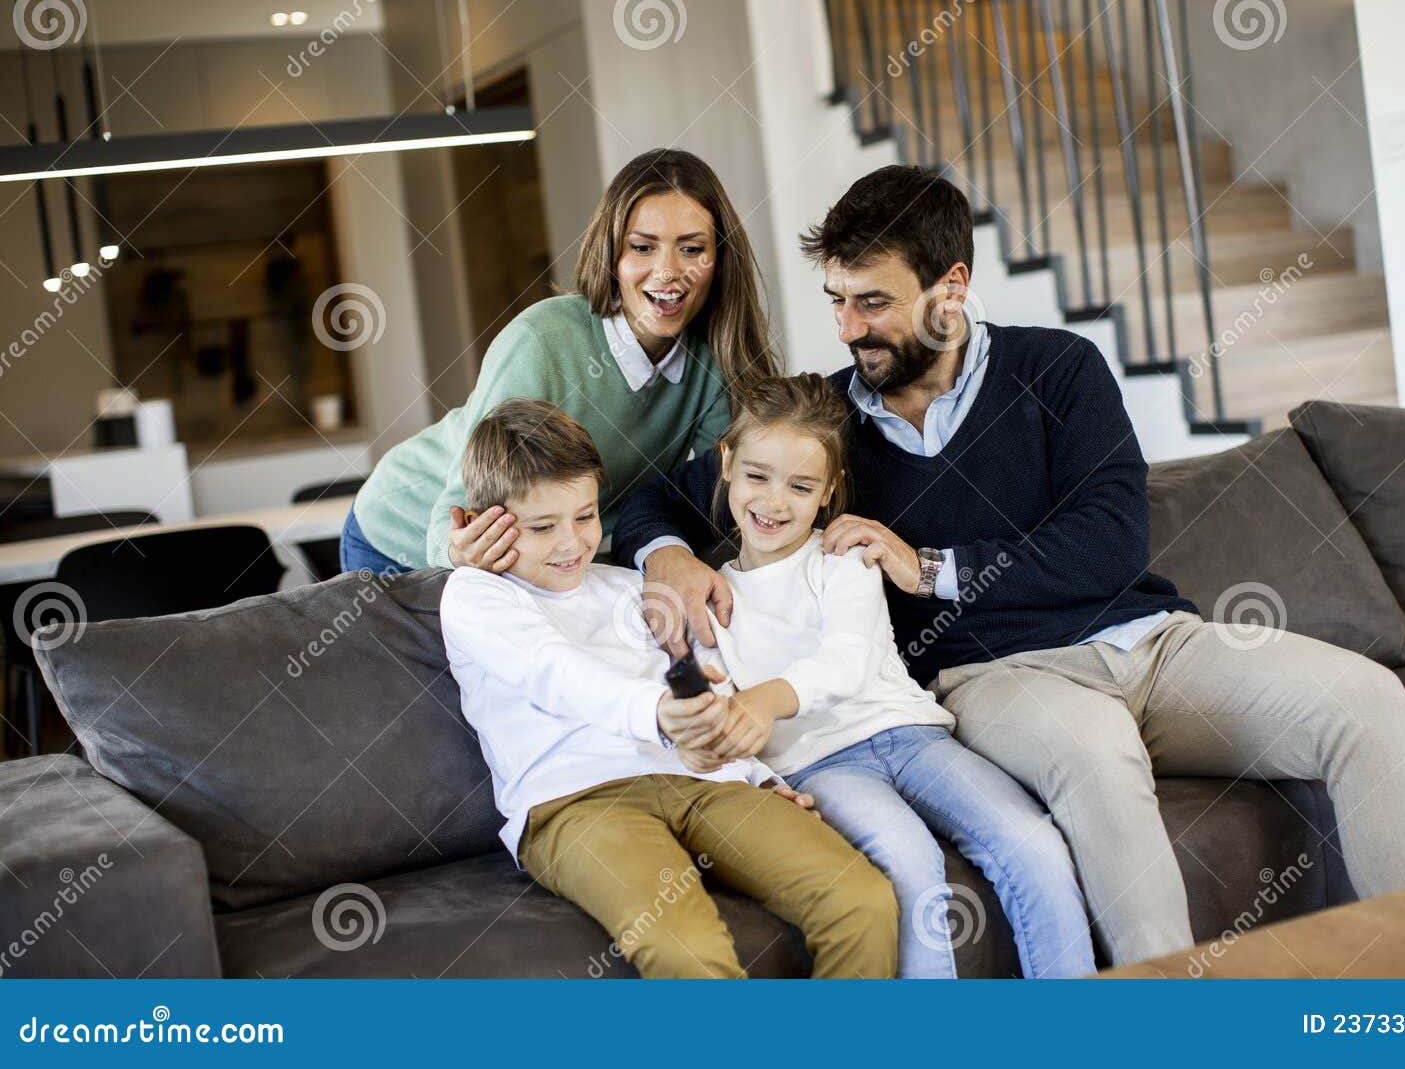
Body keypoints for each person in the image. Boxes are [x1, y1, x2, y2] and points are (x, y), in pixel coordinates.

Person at [612, 164, 1405, 968]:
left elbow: (1111, 542)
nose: (848, 327)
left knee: (1368, 700)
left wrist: (928, 567)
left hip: (1152, 643)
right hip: (996, 675)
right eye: (837, 300)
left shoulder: (1058, 369)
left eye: (874, 302)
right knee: (1097, 754)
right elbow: (652, 502)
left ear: (951, 288)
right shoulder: (825, 423)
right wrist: (671, 556)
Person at [439, 398, 898, 979]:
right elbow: (555, 672)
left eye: (585, 516)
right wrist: (658, 713)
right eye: (542, 527)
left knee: (861, 900)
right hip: (577, 803)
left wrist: (754, 772)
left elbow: (706, 680)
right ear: (487, 521)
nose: (571, 544)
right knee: (688, 946)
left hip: (705, 782)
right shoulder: (476, 594)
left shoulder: (630, 585)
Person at [673, 373, 1093, 978]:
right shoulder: (711, 598)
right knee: (909, 862)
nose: (774, 502)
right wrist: (752, 771)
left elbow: (848, 660)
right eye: (757, 477)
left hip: (912, 737)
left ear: (829, 491)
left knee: (1034, 843)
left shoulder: (843, 558)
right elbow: (720, 711)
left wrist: (765, 700)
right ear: (726, 464)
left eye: (800, 486)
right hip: (821, 765)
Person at [341, 147, 780, 576]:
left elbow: (714, 492)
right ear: (612, 256)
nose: (667, 270)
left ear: (720, 260)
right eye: (643, 248)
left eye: (691, 249)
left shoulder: (715, 358)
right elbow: (460, 502)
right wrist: (455, 551)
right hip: (402, 533)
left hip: (540, 557)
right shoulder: (541, 342)